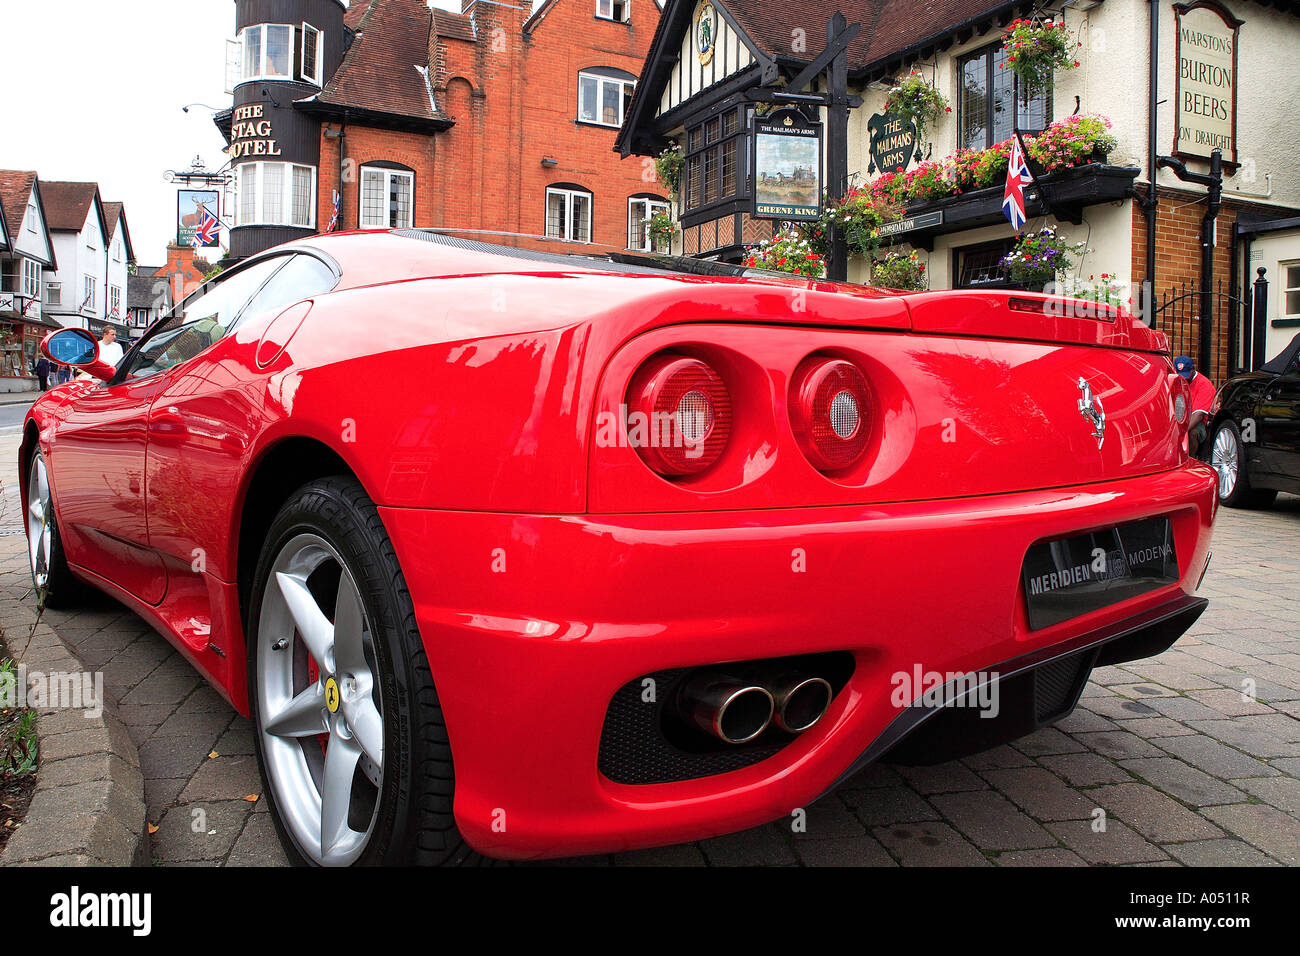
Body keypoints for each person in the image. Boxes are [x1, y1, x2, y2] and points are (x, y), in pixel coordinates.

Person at [1174, 355, 1216, 458]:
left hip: (1197, 422)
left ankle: (1190, 460)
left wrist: (1180, 433)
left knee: (1192, 433)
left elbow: (1199, 415)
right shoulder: (1176, 381)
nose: (1184, 379)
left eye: (1186, 376)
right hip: (1180, 417)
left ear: (1193, 369)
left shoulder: (1204, 384)